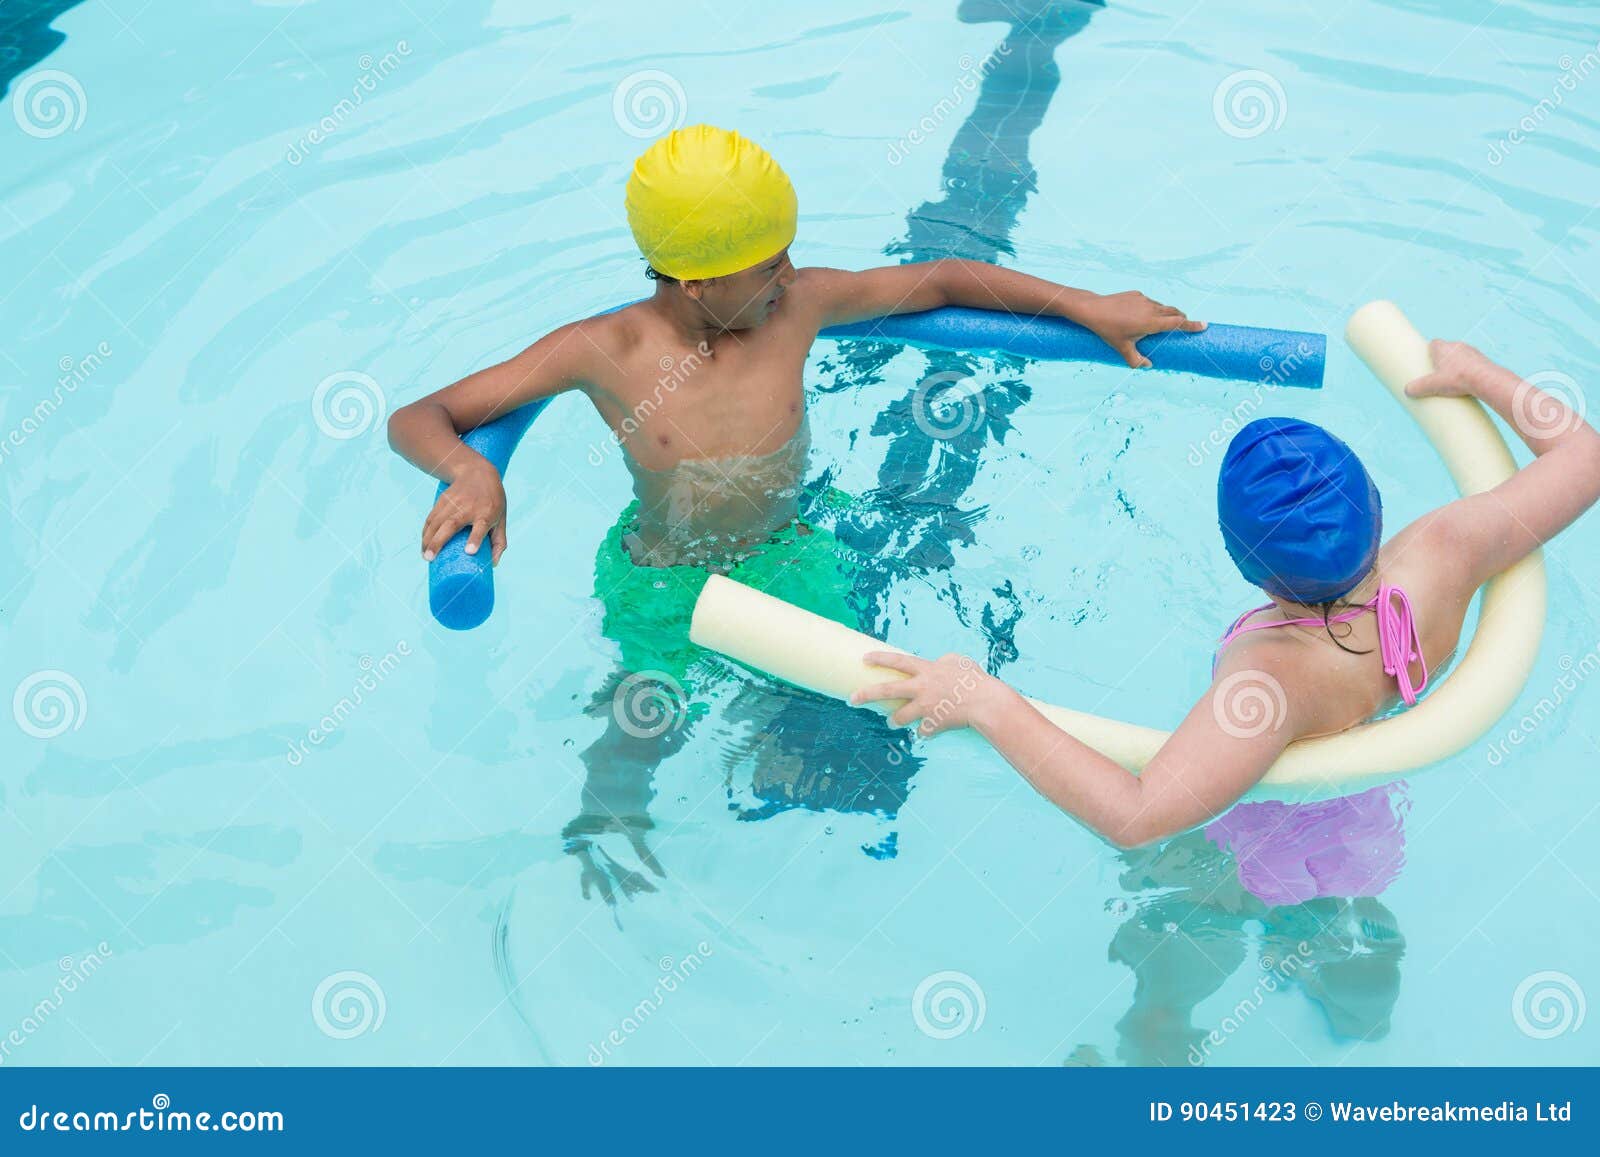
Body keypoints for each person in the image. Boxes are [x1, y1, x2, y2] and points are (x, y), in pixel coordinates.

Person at [386, 123, 1202, 901]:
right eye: (768, 266)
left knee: (860, 714)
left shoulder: (797, 307)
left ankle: (791, 780)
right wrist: (471, 473)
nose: (789, 275)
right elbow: (418, 416)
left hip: (787, 553)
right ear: (699, 282)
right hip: (666, 583)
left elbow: (946, 277)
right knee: (640, 730)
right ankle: (602, 835)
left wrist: (1087, 304)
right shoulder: (608, 351)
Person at [853, 340, 1600, 847]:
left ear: (1250, 571)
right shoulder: (1446, 552)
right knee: (1351, 954)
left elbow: (1136, 816)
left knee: (1167, 940)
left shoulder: (1272, 680)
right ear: (1373, 502)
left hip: (1269, 831)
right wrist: (1480, 374)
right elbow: (1585, 458)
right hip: (1369, 826)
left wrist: (985, 698)